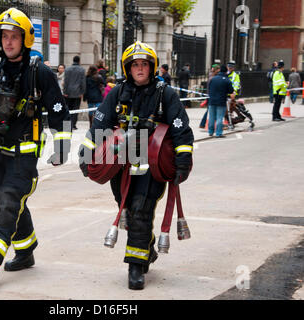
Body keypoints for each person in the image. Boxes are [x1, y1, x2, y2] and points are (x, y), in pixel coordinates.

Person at [0, 8, 72, 284]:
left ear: (25, 39)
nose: (9, 42)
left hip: (25, 155)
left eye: (15, 36)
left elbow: (60, 111)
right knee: (9, 202)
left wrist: (62, 146)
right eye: (4, 36)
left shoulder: (39, 73)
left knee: (9, 201)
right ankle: (26, 250)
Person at [78, 41, 194, 290]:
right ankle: (146, 248)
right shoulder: (117, 94)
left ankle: (135, 266)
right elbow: (99, 126)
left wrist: (183, 160)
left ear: (151, 68)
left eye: (144, 64)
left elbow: (181, 129)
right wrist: (86, 154)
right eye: (135, 65)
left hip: (151, 166)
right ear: (128, 68)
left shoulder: (166, 94)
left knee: (142, 208)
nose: (140, 69)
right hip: (120, 163)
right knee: (129, 211)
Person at [207, 64, 234, 138]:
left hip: (212, 101)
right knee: (219, 118)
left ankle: (210, 131)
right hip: (221, 101)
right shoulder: (227, 80)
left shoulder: (213, 79)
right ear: (226, 72)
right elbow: (231, 91)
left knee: (212, 117)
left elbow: (209, 89)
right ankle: (218, 133)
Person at [64, 55, 86, 130]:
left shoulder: (67, 69)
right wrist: (82, 92)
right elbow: (83, 82)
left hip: (69, 92)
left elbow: (66, 81)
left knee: (69, 108)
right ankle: (73, 125)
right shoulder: (82, 70)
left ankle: (68, 124)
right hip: (77, 92)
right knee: (76, 109)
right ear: (79, 61)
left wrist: (65, 91)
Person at [199, 64, 220, 129]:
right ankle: (204, 124)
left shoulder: (212, 76)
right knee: (210, 110)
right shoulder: (212, 77)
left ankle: (202, 124)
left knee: (209, 110)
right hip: (211, 96)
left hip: (210, 95)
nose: (219, 71)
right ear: (215, 70)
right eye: (218, 69)